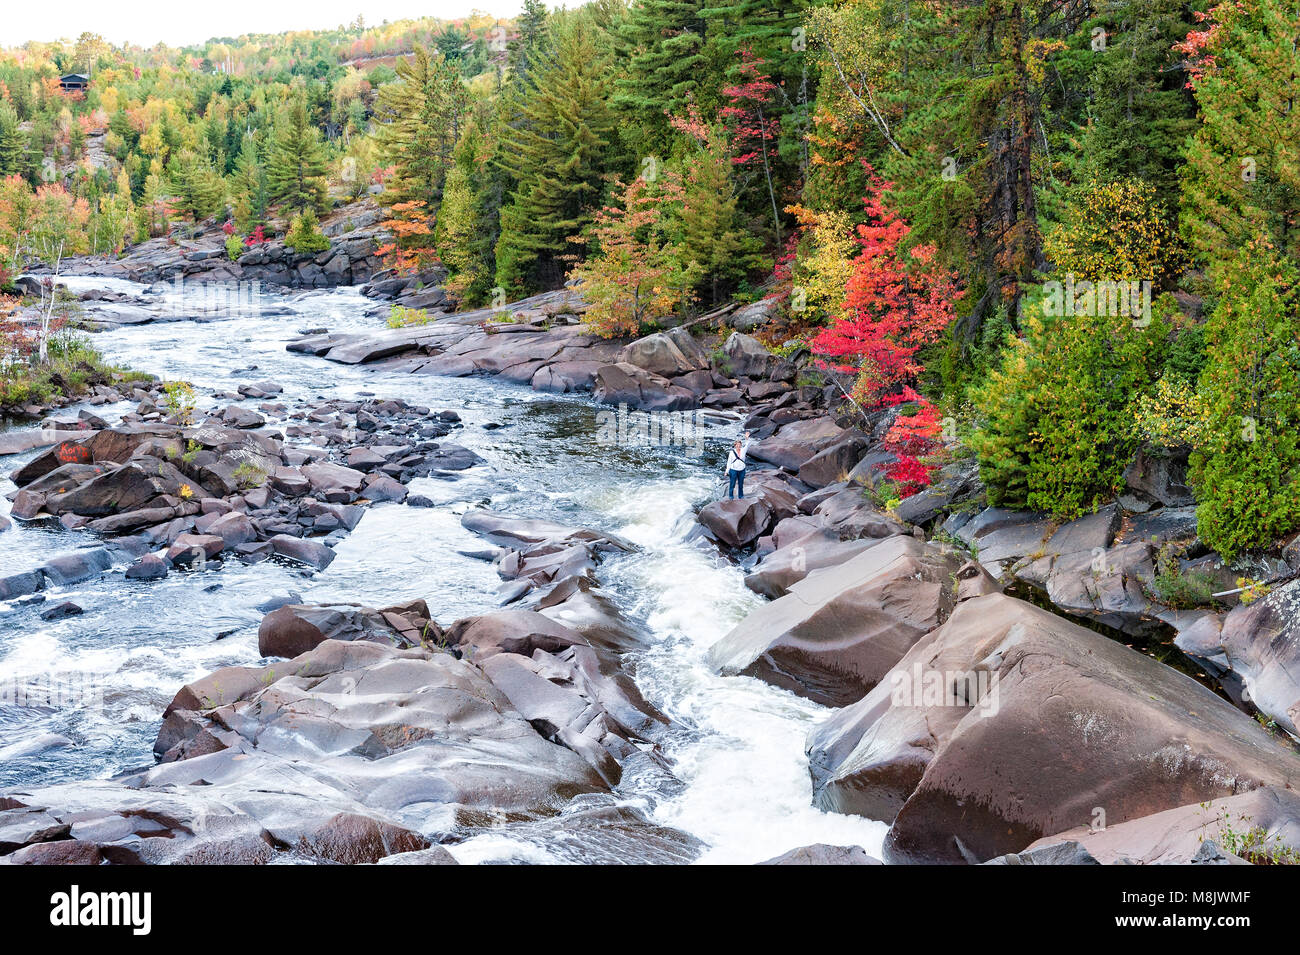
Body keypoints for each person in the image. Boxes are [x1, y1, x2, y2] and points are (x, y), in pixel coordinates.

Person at [726, 431, 751, 499]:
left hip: (742, 470)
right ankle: (731, 496)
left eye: (739, 445)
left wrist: (747, 438)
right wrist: (727, 471)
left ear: (741, 445)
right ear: (735, 445)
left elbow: (748, 444)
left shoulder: (743, 450)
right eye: (737, 445)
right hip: (733, 470)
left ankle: (741, 496)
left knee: (741, 484)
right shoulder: (731, 452)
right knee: (732, 484)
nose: (738, 446)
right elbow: (729, 462)